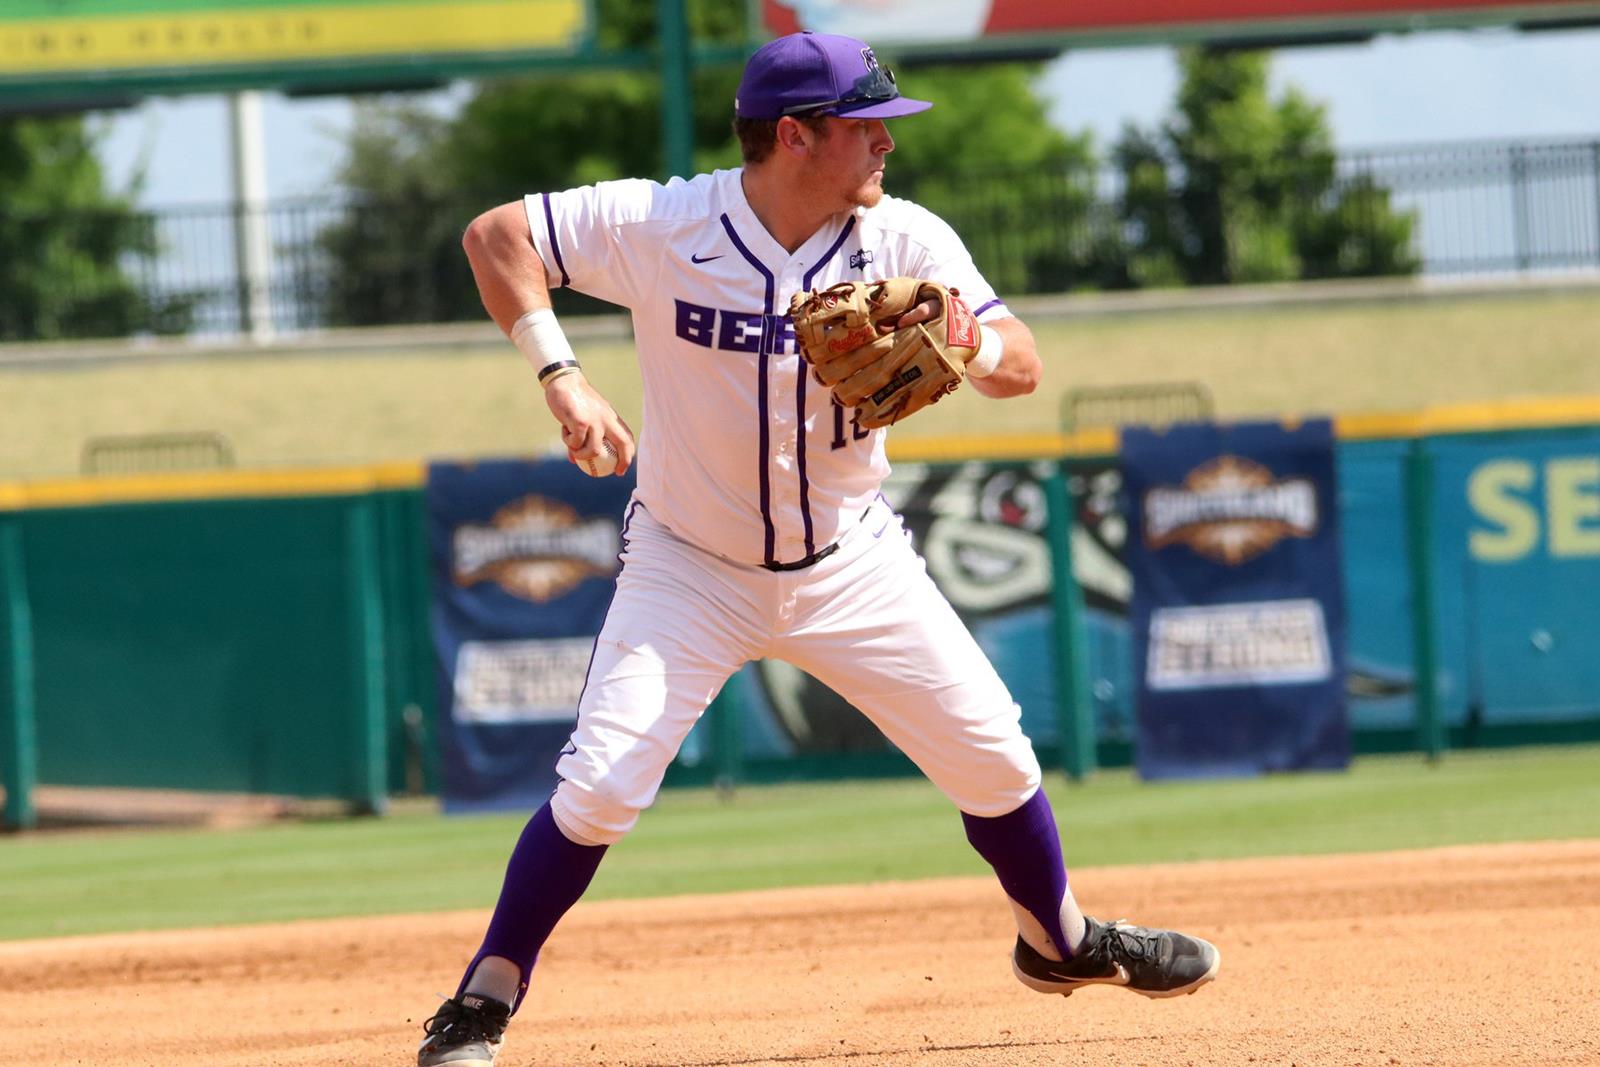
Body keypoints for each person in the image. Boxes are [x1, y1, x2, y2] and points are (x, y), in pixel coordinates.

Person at [418, 31, 1220, 1067]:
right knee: (603, 782)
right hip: (688, 561)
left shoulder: (904, 240)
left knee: (996, 756)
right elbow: (496, 238)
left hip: (851, 558)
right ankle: (482, 999)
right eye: (866, 124)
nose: (887, 142)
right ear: (794, 135)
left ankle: (1059, 941)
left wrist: (960, 338)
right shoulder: (667, 222)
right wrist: (560, 373)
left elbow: (1020, 362)